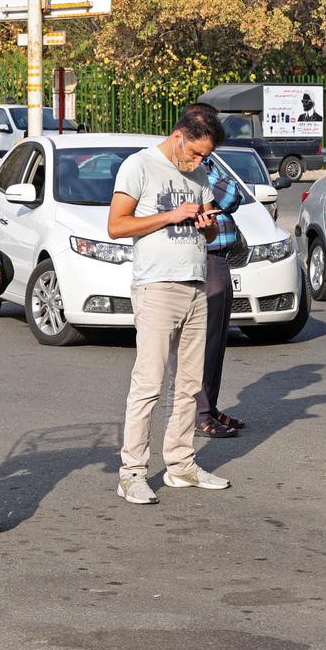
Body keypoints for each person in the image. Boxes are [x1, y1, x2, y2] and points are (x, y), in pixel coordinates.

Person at [107, 108, 230, 505]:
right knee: (149, 383)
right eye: (195, 153)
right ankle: (132, 473)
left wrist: (207, 225)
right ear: (178, 136)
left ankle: (180, 465)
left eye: (204, 157)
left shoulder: (197, 171)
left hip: (195, 284)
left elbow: (209, 225)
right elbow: (117, 226)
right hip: (157, 287)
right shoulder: (139, 166)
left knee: (190, 385)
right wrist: (170, 215)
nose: (199, 162)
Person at [185, 104, 248, 439]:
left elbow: (235, 195)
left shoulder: (206, 163)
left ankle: (210, 405)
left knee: (217, 341)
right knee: (204, 342)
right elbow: (229, 193)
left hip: (220, 259)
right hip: (204, 259)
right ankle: (200, 413)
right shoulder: (194, 167)